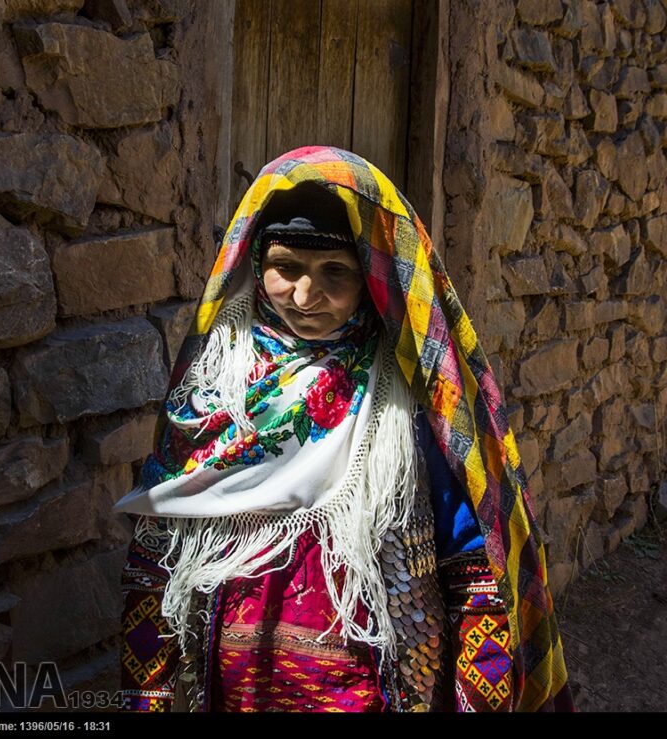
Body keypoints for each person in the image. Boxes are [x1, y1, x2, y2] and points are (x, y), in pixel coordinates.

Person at [114, 146, 574, 712]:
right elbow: (155, 553)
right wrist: (151, 693)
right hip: (230, 692)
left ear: (373, 281)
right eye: (287, 269)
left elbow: (476, 571)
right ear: (258, 266)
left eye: (335, 273)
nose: (306, 297)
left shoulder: (415, 404)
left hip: (376, 691)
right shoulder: (212, 391)